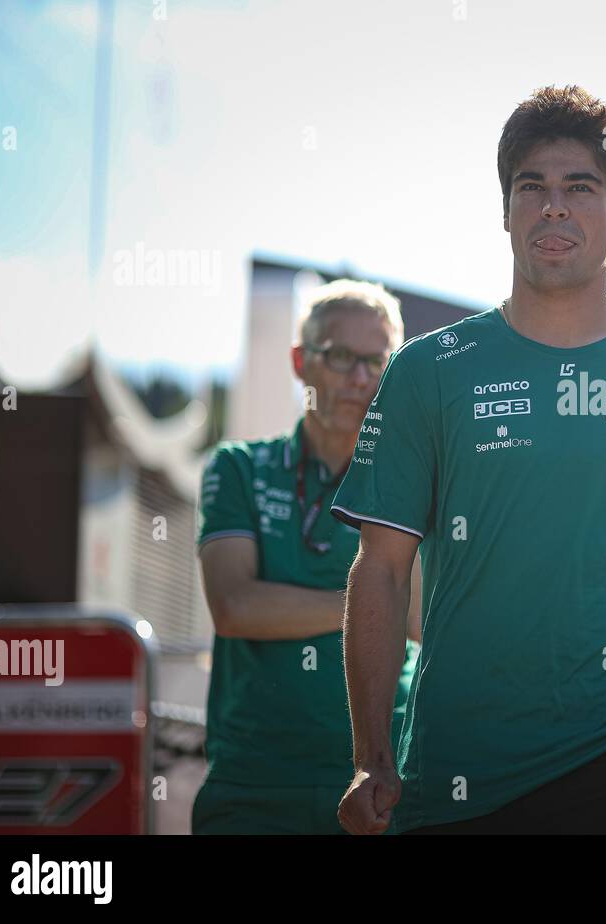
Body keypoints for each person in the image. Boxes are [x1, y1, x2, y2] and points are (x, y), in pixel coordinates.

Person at [332, 84, 606, 835]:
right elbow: (380, 569)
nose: (553, 207)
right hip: (450, 777)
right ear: (505, 210)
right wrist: (373, 757)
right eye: (531, 187)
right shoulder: (431, 370)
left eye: (580, 188)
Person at [193, 280, 421, 834]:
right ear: (301, 361)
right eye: (341, 356)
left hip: (386, 785)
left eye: (377, 361)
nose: (361, 378)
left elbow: (418, 622)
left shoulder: (419, 483)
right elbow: (234, 606)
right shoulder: (240, 467)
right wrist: (374, 601)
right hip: (254, 781)